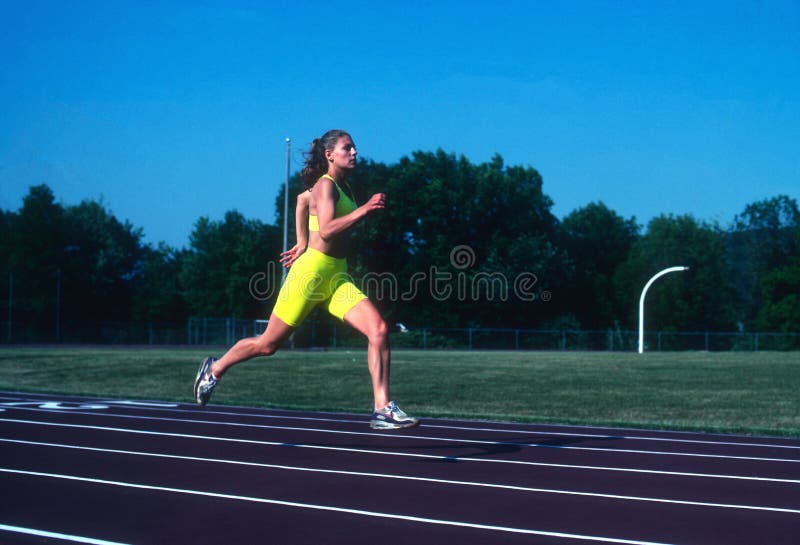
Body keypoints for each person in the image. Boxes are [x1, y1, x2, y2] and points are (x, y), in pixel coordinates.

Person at [194, 129, 419, 430]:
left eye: (354, 148)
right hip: (310, 275)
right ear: (330, 155)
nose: (354, 152)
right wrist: (364, 210)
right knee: (267, 345)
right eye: (347, 148)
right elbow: (326, 230)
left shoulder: (343, 187)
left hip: (336, 276)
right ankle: (215, 368)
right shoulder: (326, 187)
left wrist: (301, 240)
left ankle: (382, 408)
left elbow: (301, 201)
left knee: (378, 329)